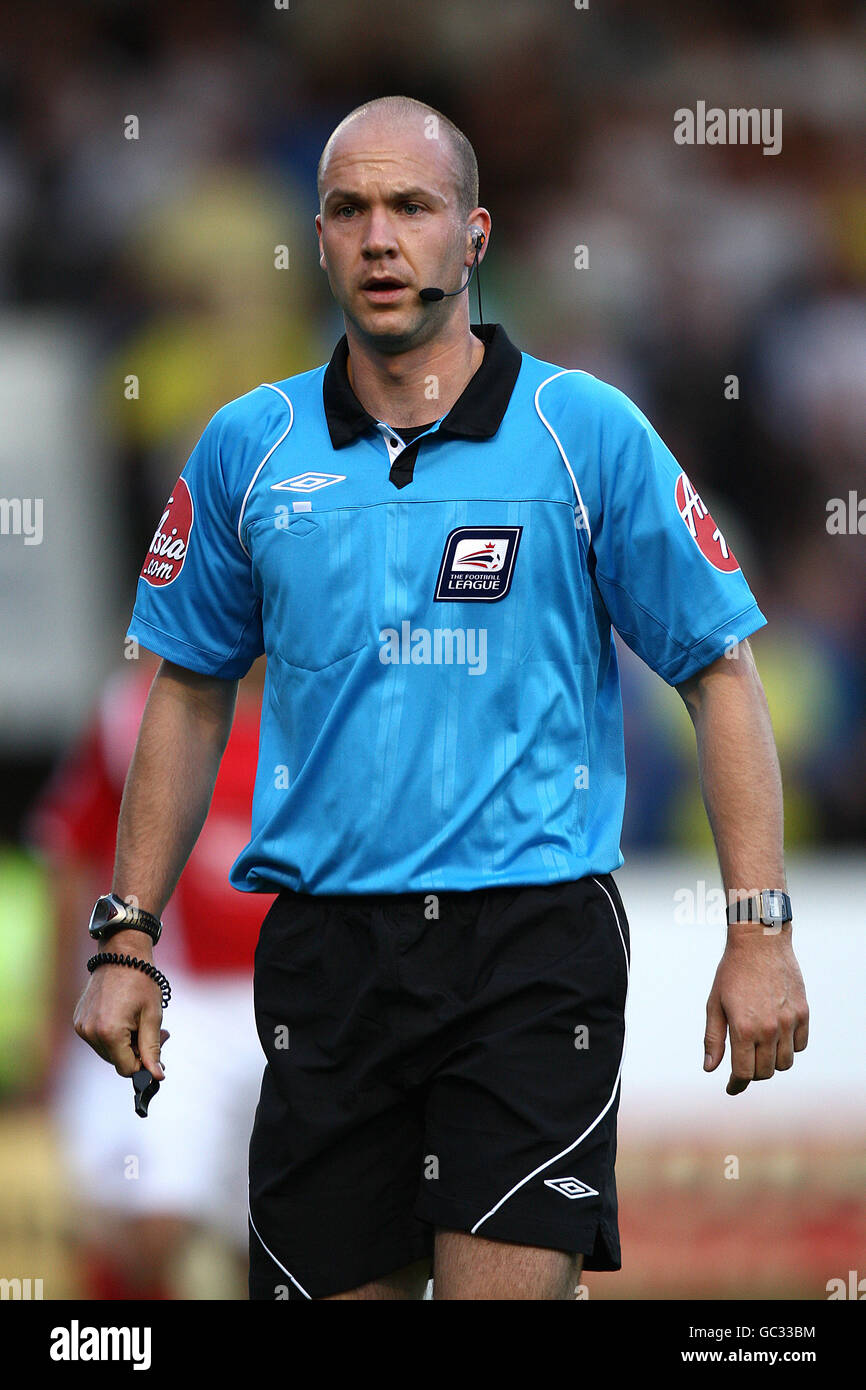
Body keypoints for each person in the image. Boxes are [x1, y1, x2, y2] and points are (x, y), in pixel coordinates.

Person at [74, 94, 809, 1301]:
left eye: (411, 207)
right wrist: (127, 934)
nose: (379, 237)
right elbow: (190, 689)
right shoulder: (245, 447)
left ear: (471, 237)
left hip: (530, 949)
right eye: (352, 210)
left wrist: (758, 929)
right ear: (315, 236)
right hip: (323, 955)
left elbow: (717, 673)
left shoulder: (585, 431)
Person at [29, 654, 270, 1298]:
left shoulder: (338, 698)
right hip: (175, 1001)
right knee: (150, 1224)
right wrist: (54, 1023)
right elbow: (73, 852)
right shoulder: (137, 710)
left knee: (278, 1239)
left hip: (297, 1001)